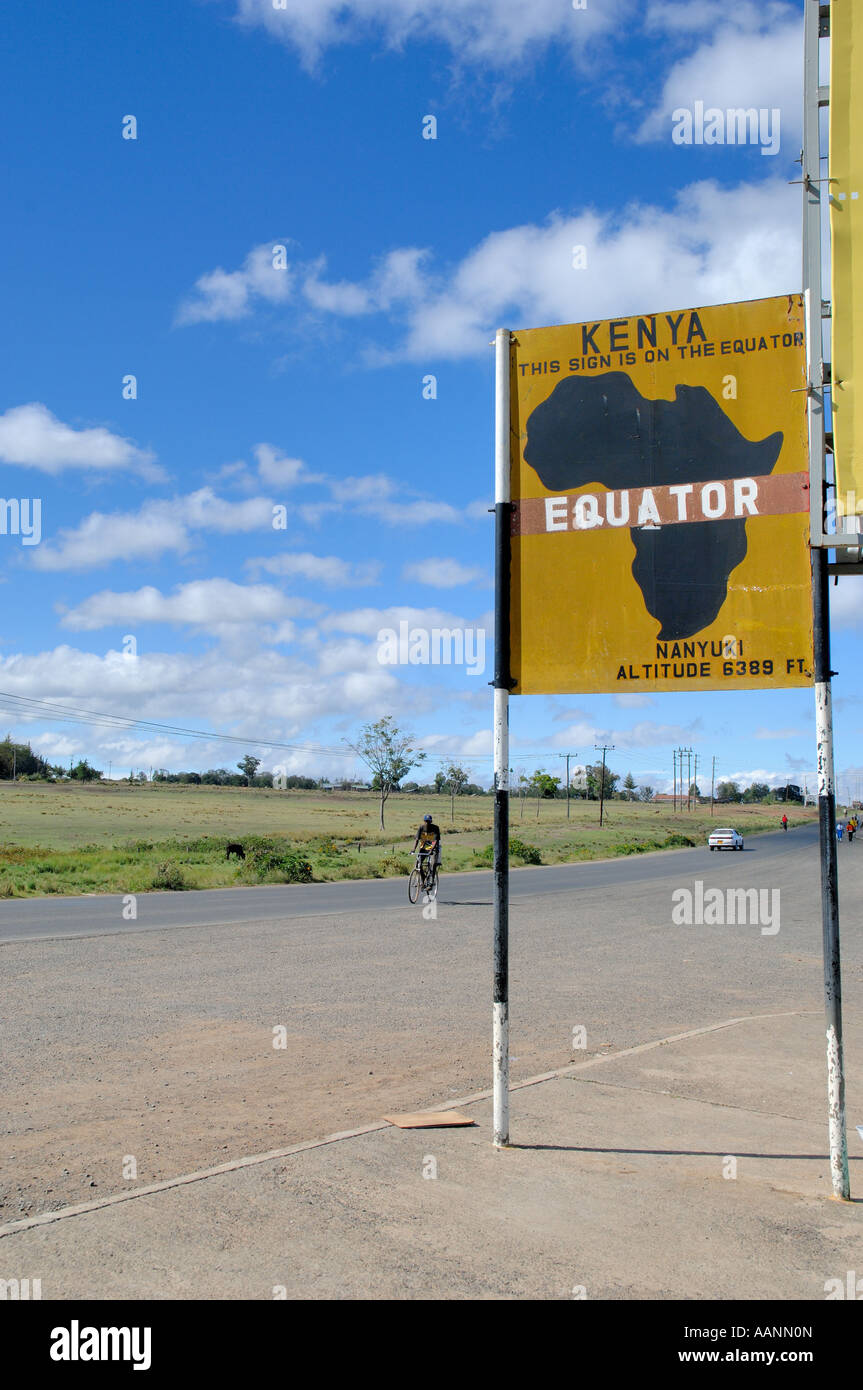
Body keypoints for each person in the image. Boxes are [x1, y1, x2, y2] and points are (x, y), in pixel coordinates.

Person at [412, 814, 441, 879]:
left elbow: (436, 841)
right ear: (424, 821)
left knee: (433, 864)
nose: (427, 823)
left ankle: (432, 881)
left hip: (433, 849)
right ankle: (423, 879)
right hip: (423, 848)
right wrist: (413, 849)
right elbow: (417, 839)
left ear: (431, 822)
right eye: (426, 821)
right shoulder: (421, 828)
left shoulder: (435, 828)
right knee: (418, 864)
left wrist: (431, 849)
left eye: (428, 821)